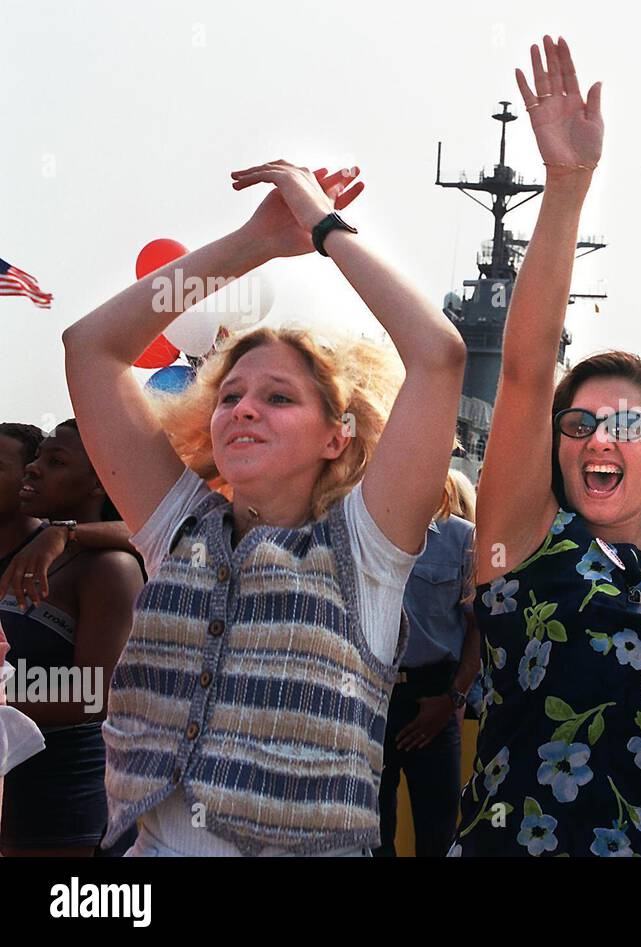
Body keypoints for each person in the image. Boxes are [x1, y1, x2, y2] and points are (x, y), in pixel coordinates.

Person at [63, 158, 466, 856]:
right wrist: (255, 243)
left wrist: (322, 229)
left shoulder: (366, 550)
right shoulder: (180, 528)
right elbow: (90, 349)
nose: (244, 407)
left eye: (279, 396)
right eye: (229, 396)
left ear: (336, 435)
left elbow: (438, 354)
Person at [454, 37, 641, 857]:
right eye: (578, 423)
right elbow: (521, 372)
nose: (596, 438)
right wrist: (568, 187)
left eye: (625, 424)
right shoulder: (523, 539)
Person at [0, 420, 143, 857]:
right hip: (17, 787)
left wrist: (4, 695)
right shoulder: (34, 555)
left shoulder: (110, 569)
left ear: (100, 479)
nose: (34, 469)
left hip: (68, 800)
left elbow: (94, 693)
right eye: (37, 458)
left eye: (55, 461)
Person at [376, 469, 479, 858]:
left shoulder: (463, 538)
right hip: (372, 697)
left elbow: (478, 629)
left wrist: (451, 698)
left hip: (434, 698)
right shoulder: (368, 532)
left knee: (438, 836)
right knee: (372, 835)